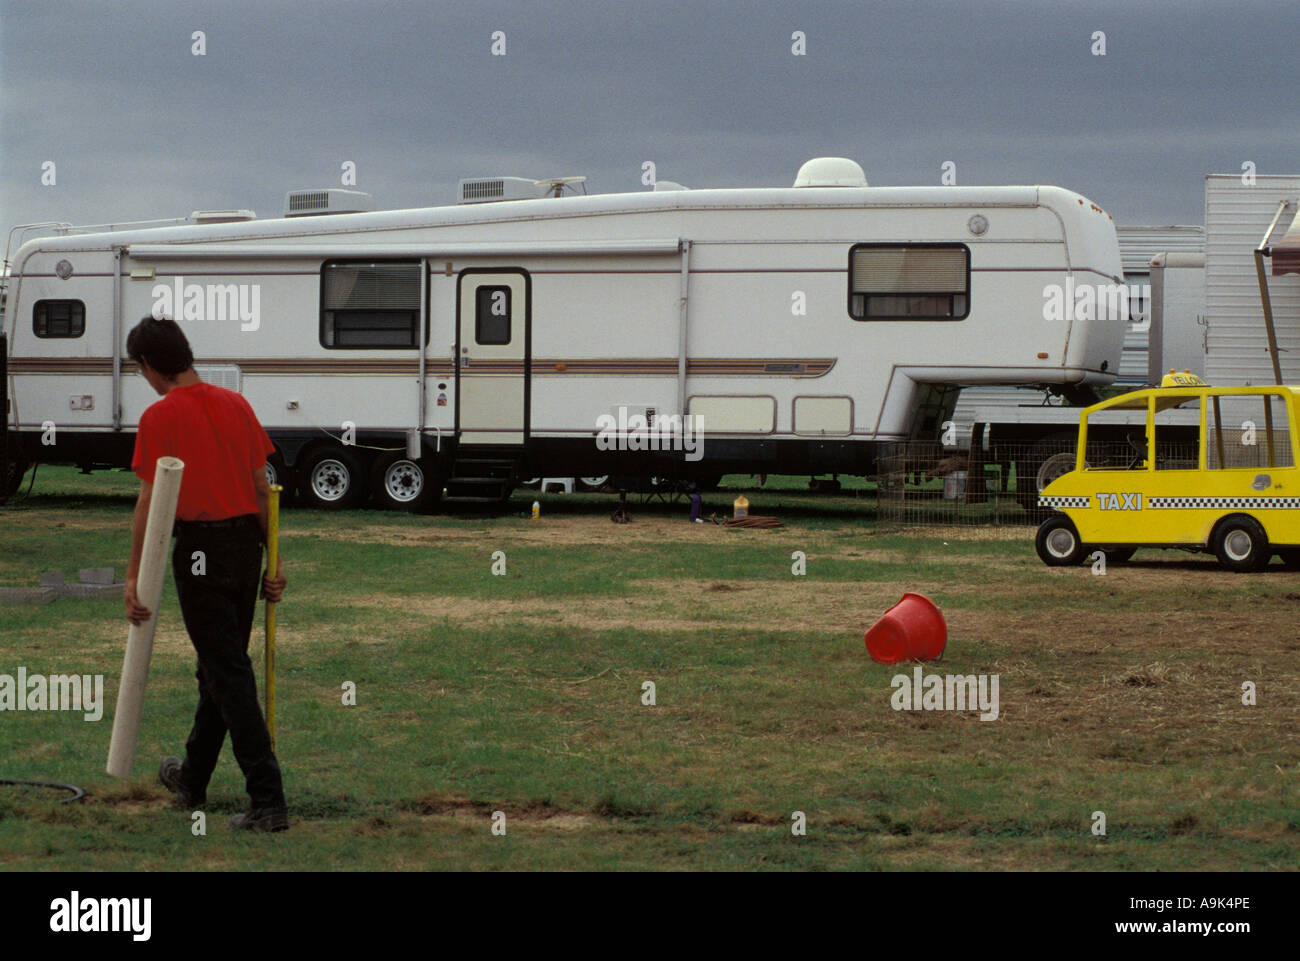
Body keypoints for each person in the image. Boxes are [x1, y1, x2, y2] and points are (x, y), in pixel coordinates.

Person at [122, 315, 290, 832]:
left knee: (226, 673)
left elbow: (150, 500)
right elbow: (261, 486)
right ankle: (192, 778)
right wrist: (274, 557)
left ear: (150, 365)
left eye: (140, 369)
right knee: (219, 668)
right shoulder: (236, 404)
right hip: (245, 547)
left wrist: (131, 576)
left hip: (200, 552)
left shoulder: (160, 415)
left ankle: (268, 801)